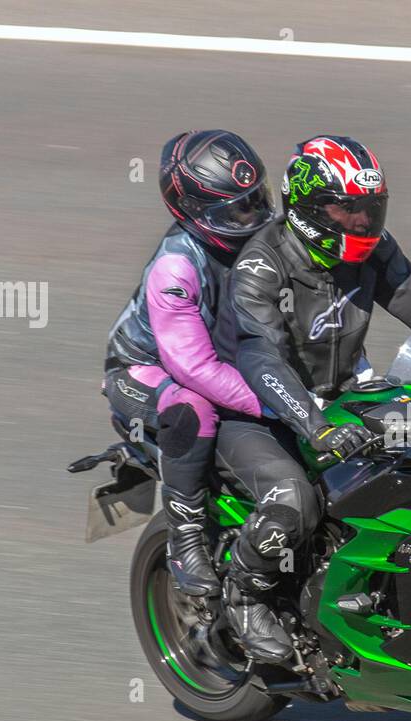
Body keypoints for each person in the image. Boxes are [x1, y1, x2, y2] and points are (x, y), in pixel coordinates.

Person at [220, 135, 411, 663]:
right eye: (347, 209)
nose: (363, 223)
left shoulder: (375, 249)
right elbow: (261, 359)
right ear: (307, 207)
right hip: (257, 412)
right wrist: (314, 424)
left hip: (343, 396)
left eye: (371, 209)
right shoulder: (263, 265)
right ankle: (245, 594)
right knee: (295, 500)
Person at [105, 130, 277, 598]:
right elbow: (193, 368)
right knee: (192, 406)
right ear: (196, 215)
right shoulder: (176, 268)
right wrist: (281, 404)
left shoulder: (269, 238)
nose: (254, 216)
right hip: (146, 371)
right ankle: (185, 538)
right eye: (236, 210)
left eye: (257, 198)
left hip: (229, 359)